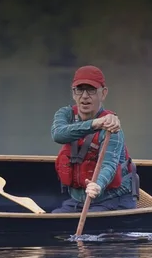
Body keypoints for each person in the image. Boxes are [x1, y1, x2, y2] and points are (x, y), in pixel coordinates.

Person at [50, 65, 137, 213]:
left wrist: (97, 185)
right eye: (80, 89)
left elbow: (109, 165)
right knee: (55, 218)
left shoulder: (112, 127)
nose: (84, 96)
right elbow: (58, 134)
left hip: (113, 199)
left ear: (103, 94)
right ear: (73, 93)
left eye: (91, 90)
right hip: (79, 200)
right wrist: (94, 123)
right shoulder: (65, 114)